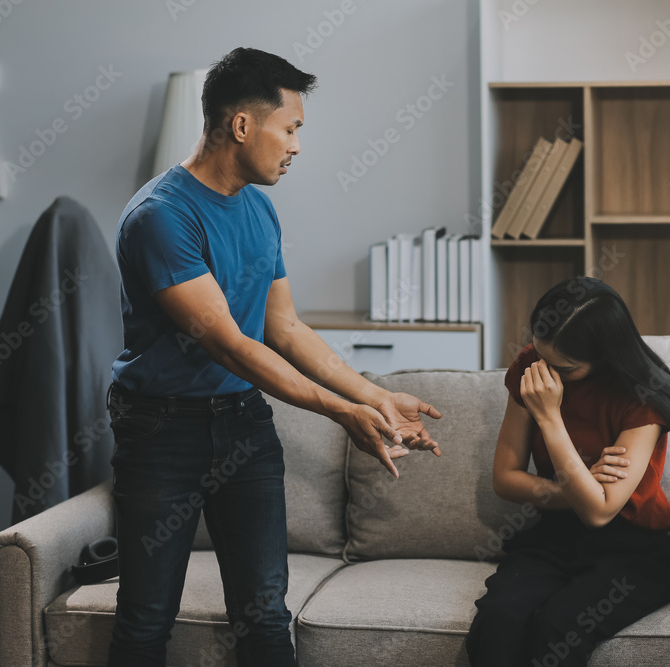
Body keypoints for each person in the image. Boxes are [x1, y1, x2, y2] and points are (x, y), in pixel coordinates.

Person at [106, 47, 441, 666]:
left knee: (263, 615)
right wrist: (340, 411)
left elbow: (284, 327)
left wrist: (372, 394)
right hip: (160, 429)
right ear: (241, 125)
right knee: (147, 618)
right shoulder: (161, 217)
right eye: (290, 128)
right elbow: (231, 343)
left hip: (241, 424)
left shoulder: (260, 208)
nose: (295, 146)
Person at [466, 277, 670, 666]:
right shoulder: (530, 367)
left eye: (565, 368)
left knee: (560, 624)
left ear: (607, 356)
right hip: (554, 538)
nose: (545, 374)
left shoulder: (644, 395)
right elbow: (505, 478)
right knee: (500, 620)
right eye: (540, 355)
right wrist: (581, 486)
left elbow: (600, 512)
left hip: (633, 547)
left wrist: (550, 418)